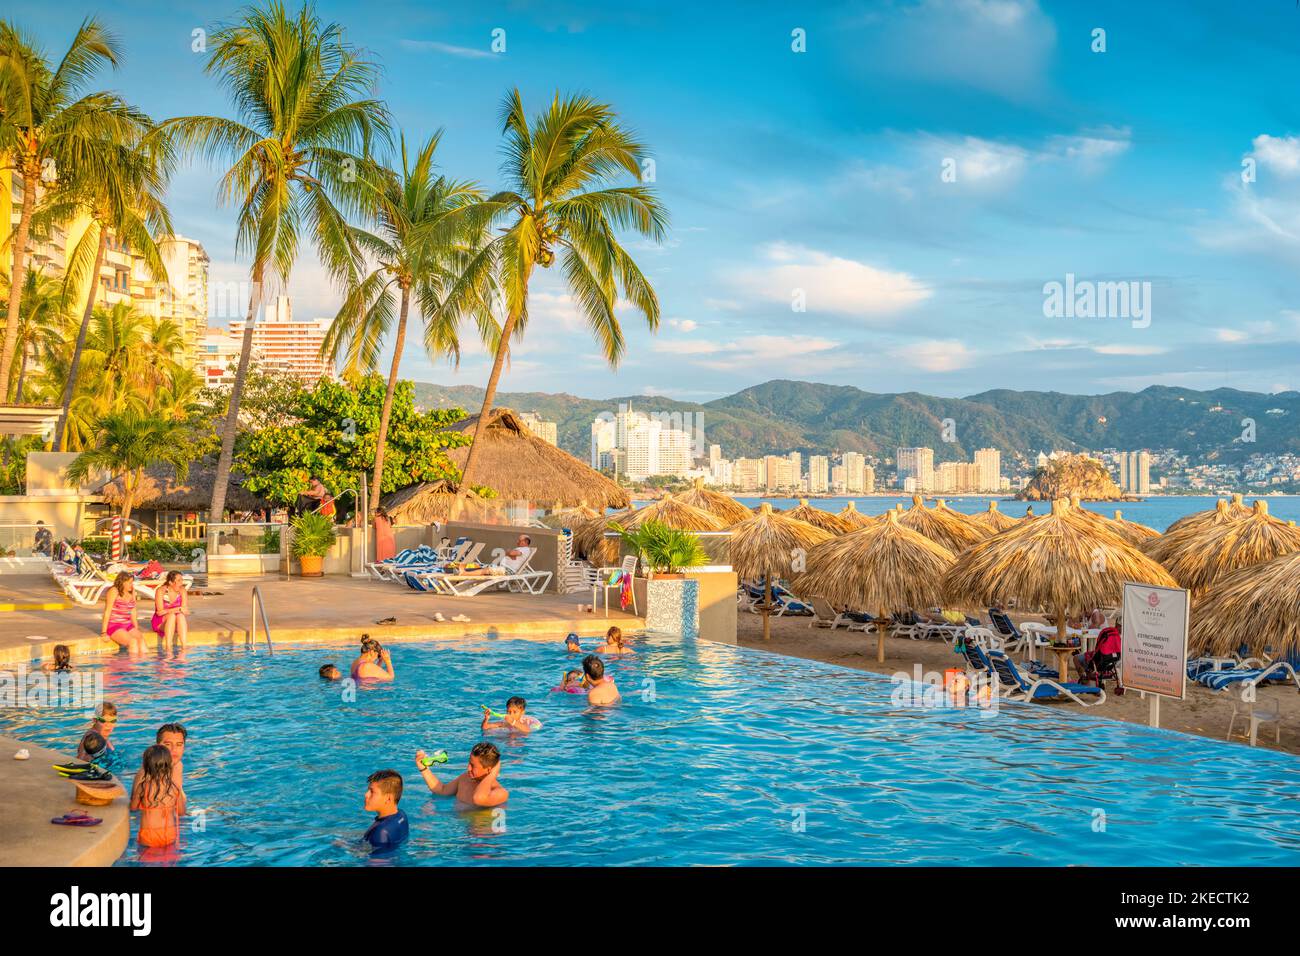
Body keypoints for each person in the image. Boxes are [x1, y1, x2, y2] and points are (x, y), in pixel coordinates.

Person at [414, 742, 508, 808]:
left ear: (489, 769)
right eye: (469, 763)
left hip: (479, 834)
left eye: (473, 766)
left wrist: (493, 774)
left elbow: (479, 799)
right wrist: (423, 768)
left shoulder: (500, 793)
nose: (468, 768)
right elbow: (441, 790)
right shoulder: (465, 778)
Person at [130, 744, 186, 848]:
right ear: (169, 765)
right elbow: (182, 813)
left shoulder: (143, 787)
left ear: (146, 766)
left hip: (148, 836)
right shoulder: (175, 788)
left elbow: (133, 808)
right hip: (169, 834)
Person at [362, 769, 409, 854]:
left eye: (372, 791)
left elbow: (378, 862)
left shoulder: (381, 832)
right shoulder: (401, 815)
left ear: (388, 799)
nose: (366, 795)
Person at [101, 572, 147, 653]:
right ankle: (132, 664)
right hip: (114, 626)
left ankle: (142, 664)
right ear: (122, 582)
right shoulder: (114, 591)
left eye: (132, 582)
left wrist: (136, 628)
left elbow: (133, 611)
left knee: (141, 640)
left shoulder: (131, 591)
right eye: (129, 582)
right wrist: (104, 632)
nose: (131, 585)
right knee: (133, 642)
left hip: (127, 625)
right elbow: (107, 611)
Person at [458, 534, 533, 577]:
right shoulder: (520, 549)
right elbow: (508, 553)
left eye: (519, 540)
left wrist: (509, 552)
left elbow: (511, 553)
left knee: (488, 570)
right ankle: (462, 568)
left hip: (508, 570)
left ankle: (464, 573)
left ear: (525, 542)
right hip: (502, 567)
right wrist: (509, 553)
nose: (517, 542)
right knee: (480, 566)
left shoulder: (525, 549)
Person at [151, 571, 190, 647]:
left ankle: (184, 647)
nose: (181, 583)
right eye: (179, 580)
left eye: (182, 580)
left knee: (180, 616)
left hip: (177, 623)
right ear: (171, 583)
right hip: (161, 621)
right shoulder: (161, 591)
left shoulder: (182, 590)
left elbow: (185, 610)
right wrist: (177, 610)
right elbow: (159, 612)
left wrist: (183, 611)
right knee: (172, 616)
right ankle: (168, 648)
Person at [156, 723, 187, 790]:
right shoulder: (151, 777)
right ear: (157, 746)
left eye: (179, 745)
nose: (174, 749)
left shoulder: (178, 765)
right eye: (168, 744)